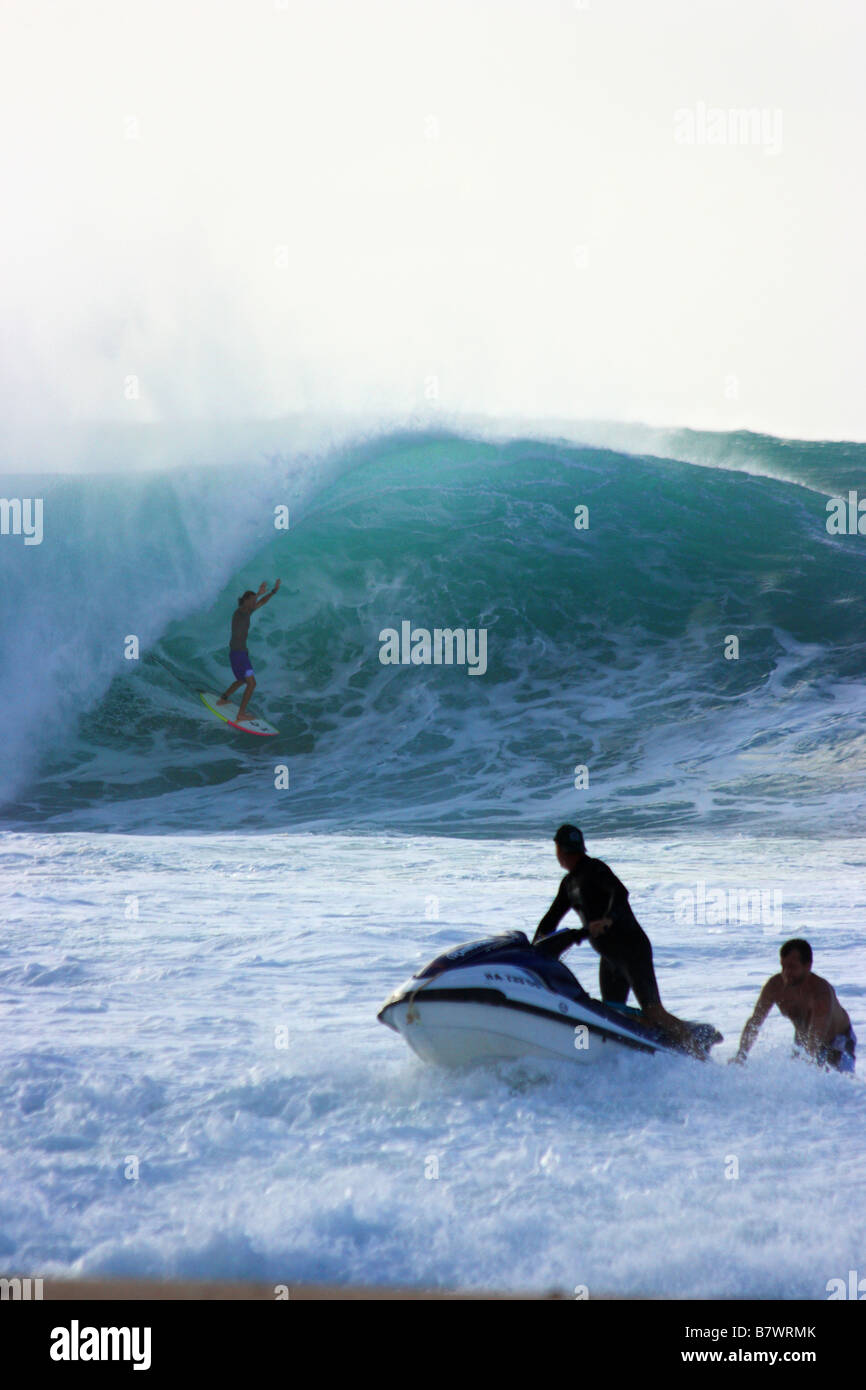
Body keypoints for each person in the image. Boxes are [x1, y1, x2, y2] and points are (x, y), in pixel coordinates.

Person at [532, 825, 698, 1049]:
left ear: (559, 850)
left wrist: (609, 918)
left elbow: (619, 893)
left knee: (653, 1010)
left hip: (632, 949)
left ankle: (697, 1050)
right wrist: (532, 948)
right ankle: (659, 1045)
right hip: (611, 958)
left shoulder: (595, 869)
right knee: (613, 1013)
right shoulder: (569, 884)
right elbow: (550, 921)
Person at [732, 939, 856, 1073]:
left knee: (838, 1084)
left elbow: (817, 1034)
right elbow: (755, 1021)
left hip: (838, 1039)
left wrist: (808, 1063)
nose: (786, 973)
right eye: (783, 966)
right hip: (803, 1038)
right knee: (793, 1078)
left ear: (808, 966)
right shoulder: (775, 986)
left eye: (792, 967)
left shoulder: (820, 992)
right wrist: (741, 1055)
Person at [217, 580, 280, 722]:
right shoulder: (239, 613)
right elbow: (249, 606)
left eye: (253, 602)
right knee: (252, 684)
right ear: (245, 601)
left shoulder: (248, 612)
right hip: (239, 655)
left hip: (239, 654)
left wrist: (273, 592)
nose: (253, 604)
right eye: (251, 601)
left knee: (241, 680)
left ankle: (223, 699)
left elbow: (262, 602)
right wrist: (257, 593)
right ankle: (241, 714)